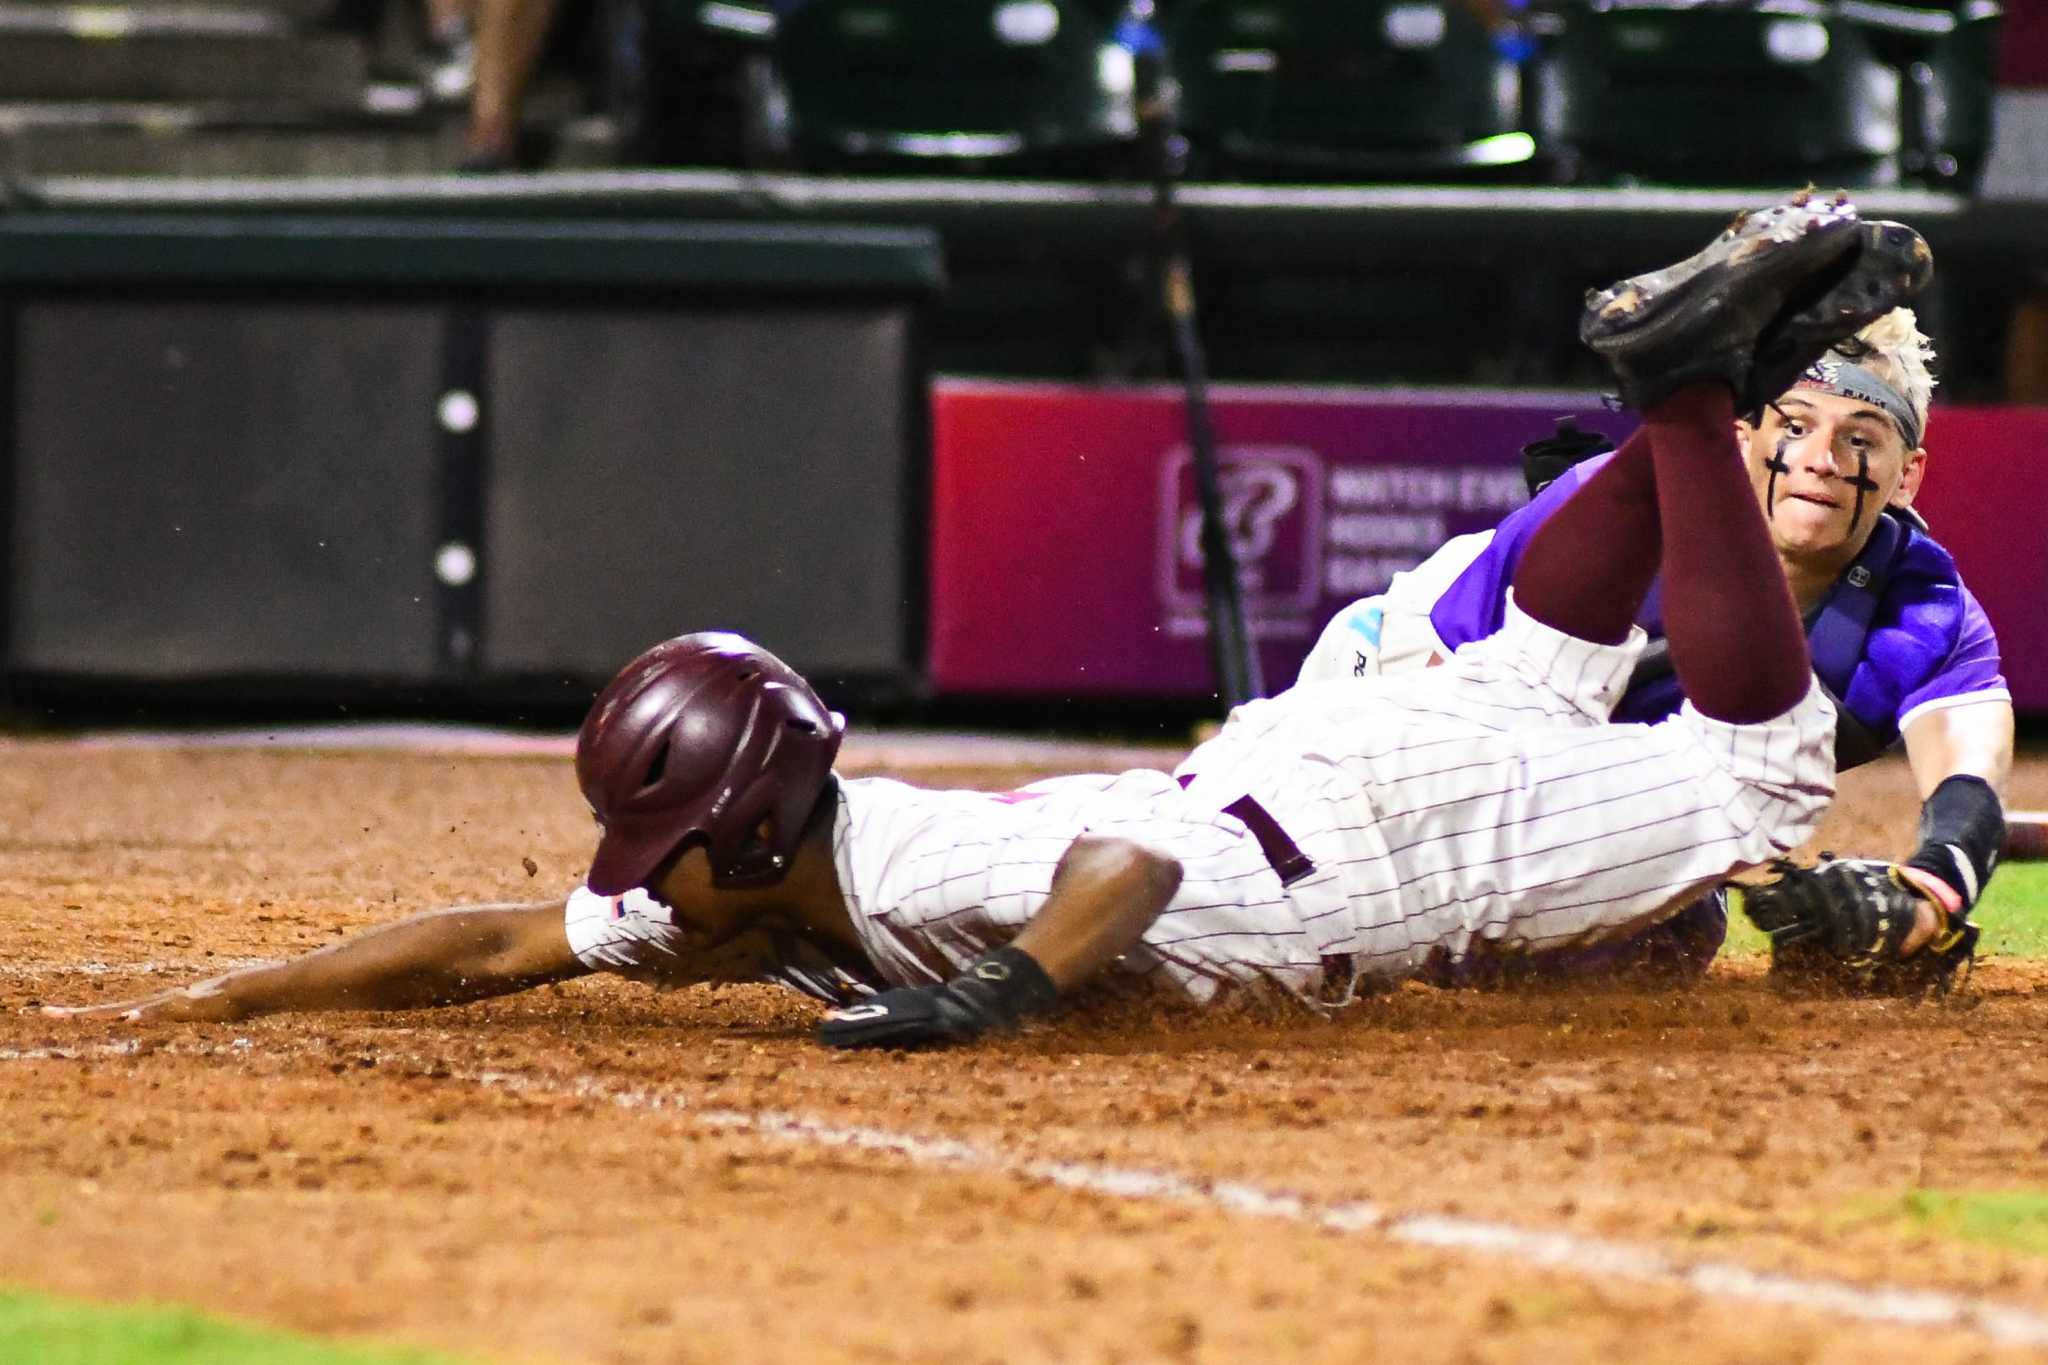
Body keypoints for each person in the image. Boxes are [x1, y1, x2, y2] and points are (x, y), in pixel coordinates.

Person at [45, 197, 1945, 1046]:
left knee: (1756, 777)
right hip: (1309, 768)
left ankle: (1689, 398)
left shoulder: (881, 860)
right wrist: (225, 996)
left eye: (661, 845)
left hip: (1339, 853)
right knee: (1544, 668)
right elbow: (483, 944)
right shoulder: (752, 863)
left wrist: (1005, 992)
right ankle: (1672, 390)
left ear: (749, 833)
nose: (637, 880)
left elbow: (1112, 868)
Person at [1301, 267, 2010, 984]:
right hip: (1402, 679)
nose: (1822, 462)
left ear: (1909, 474)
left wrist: (1926, 900)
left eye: (1862, 438)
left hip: (1597, 768)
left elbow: (1969, 789)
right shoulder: (1618, 515)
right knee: (1380, 916)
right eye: (1795, 425)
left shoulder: (1927, 612)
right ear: (1743, 434)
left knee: (1667, 942)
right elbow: (1453, 715)